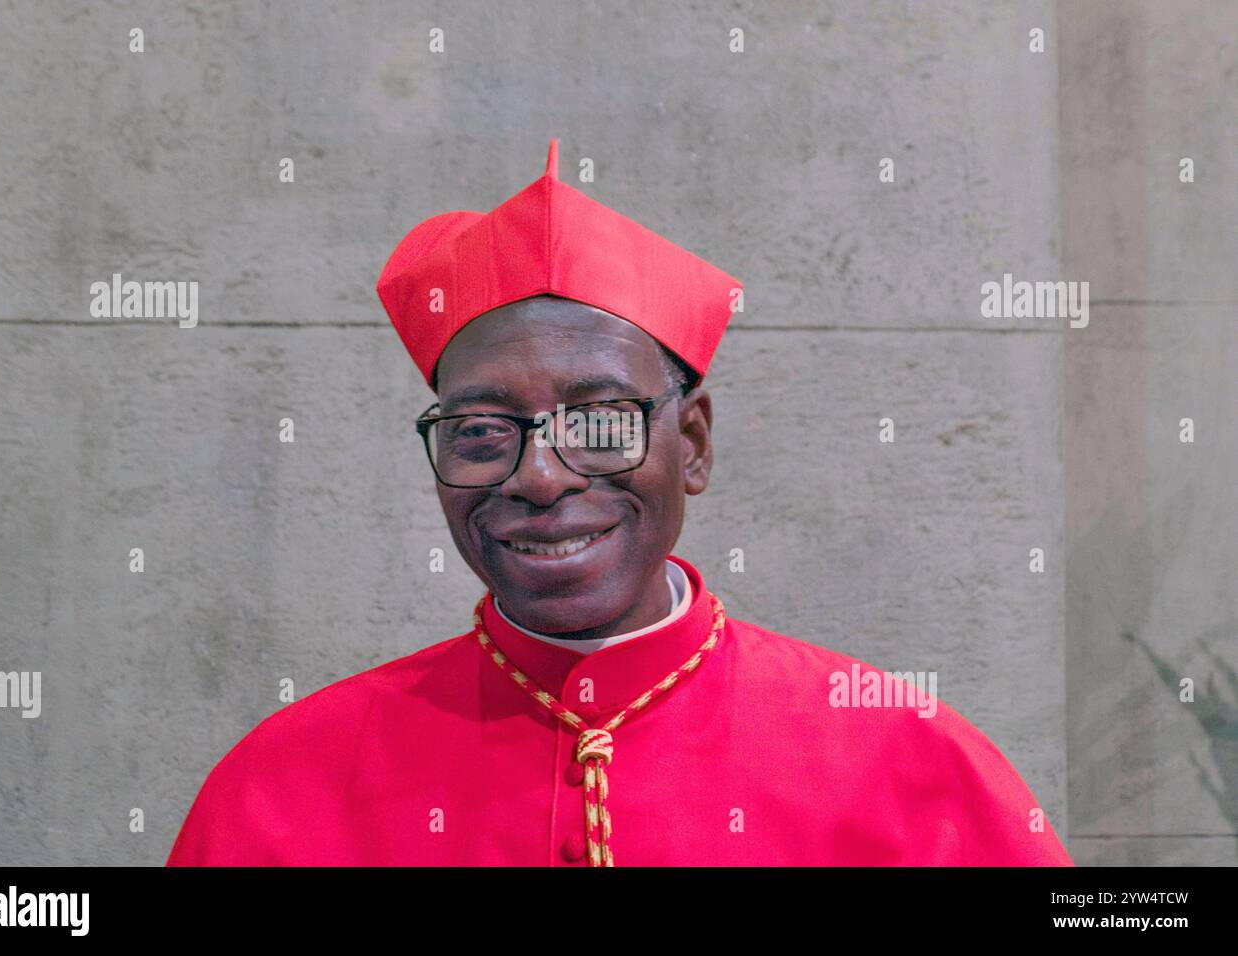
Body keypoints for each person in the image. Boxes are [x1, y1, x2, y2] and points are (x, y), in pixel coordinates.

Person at [166, 140, 1073, 867]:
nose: (543, 476)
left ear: (695, 446)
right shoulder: (289, 782)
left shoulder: (901, 760)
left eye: (601, 423)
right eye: (482, 431)